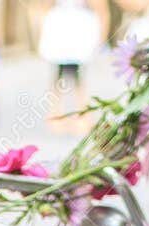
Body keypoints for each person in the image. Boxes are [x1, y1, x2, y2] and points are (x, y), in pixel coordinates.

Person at [34, 0, 109, 134]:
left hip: (78, 30)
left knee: (78, 76)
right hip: (60, 30)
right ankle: (56, 113)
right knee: (59, 74)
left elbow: (101, 9)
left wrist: (101, 38)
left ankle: (82, 113)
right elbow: (44, 7)